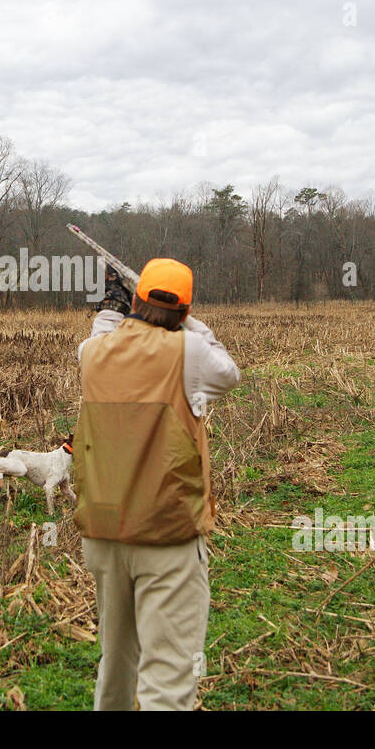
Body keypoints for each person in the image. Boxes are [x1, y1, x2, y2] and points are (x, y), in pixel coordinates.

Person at [73, 257, 240, 710]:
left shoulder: (93, 353)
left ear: (137, 299)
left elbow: (103, 327)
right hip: (166, 536)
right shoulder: (189, 353)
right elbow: (229, 372)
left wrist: (117, 303)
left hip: (104, 534)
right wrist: (189, 322)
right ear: (184, 312)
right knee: (167, 676)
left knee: (117, 662)